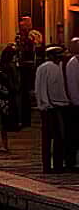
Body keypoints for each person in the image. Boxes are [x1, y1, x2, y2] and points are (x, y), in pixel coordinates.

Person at [35, 46, 70, 174]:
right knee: (50, 137)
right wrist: (45, 104)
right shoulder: (45, 68)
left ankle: (57, 164)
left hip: (59, 106)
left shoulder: (60, 67)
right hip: (50, 107)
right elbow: (41, 88)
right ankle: (48, 165)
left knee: (58, 137)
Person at [0, 45, 21, 152]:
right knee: (5, 121)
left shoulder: (0, 66)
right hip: (7, 96)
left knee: (1, 121)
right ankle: (4, 144)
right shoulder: (10, 67)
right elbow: (15, 84)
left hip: (0, 95)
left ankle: (4, 144)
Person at [15, 17, 43, 127]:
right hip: (21, 66)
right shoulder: (19, 37)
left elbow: (35, 48)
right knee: (22, 94)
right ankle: (23, 118)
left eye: (23, 26)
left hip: (28, 67)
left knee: (26, 93)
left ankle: (26, 119)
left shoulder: (33, 36)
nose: (22, 28)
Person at [65, 38, 79, 171]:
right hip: (75, 105)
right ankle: (71, 160)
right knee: (73, 135)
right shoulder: (73, 64)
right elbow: (73, 85)